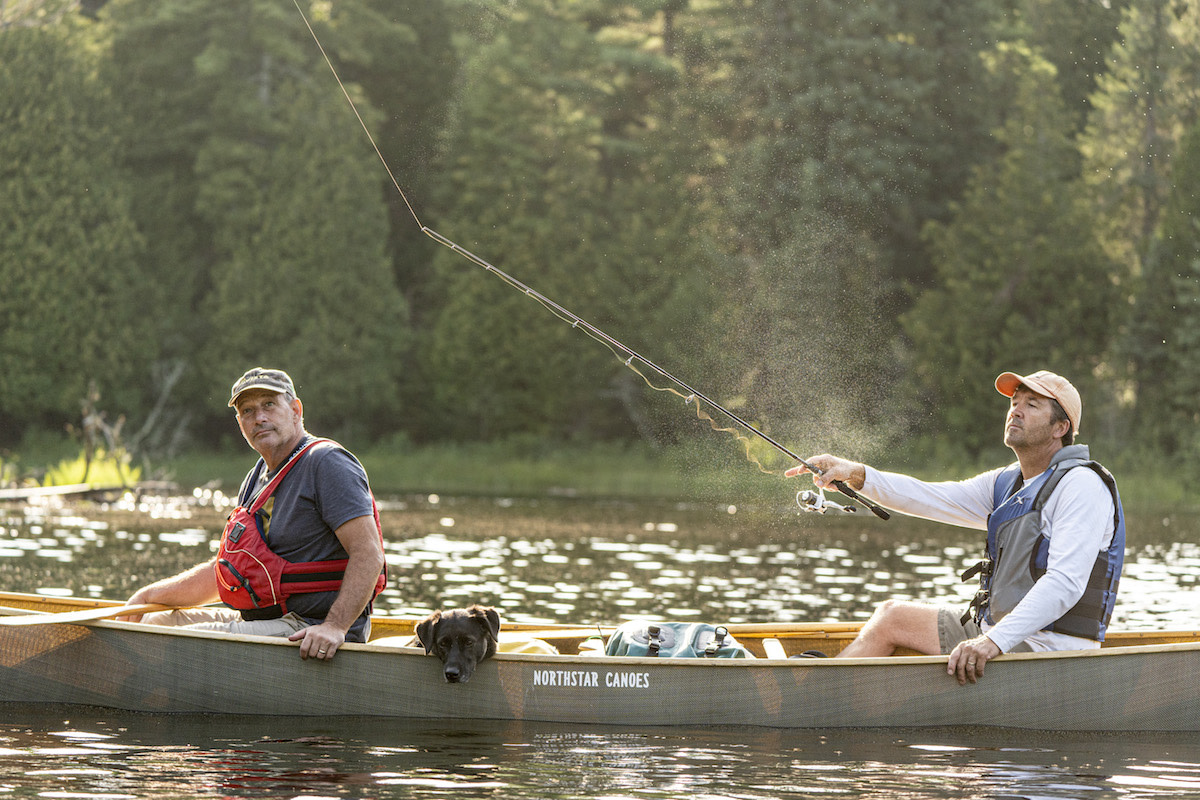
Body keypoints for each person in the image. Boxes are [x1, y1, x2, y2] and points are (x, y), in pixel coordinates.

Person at [786, 370, 1124, 685]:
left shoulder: (1081, 485)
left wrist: (990, 642)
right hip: (1001, 635)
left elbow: (1065, 584)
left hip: (1050, 654)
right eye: (1014, 402)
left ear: (1060, 428)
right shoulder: (1007, 482)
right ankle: (824, 691)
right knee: (891, 615)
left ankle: (819, 696)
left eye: (1032, 405)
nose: (1016, 411)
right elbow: (929, 497)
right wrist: (855, 473)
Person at [123, 368, 386, 661]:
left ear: (296, 410)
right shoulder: (256, 478)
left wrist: (335, 626)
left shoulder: (326, 463)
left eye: (269, 405)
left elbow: (369, 553)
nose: (259, 417)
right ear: (240, 423)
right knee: (153, 623)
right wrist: (149, 597)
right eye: (248, 410)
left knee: (166, 642)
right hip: (264, 624)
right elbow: (228, 574)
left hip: (313, 629)